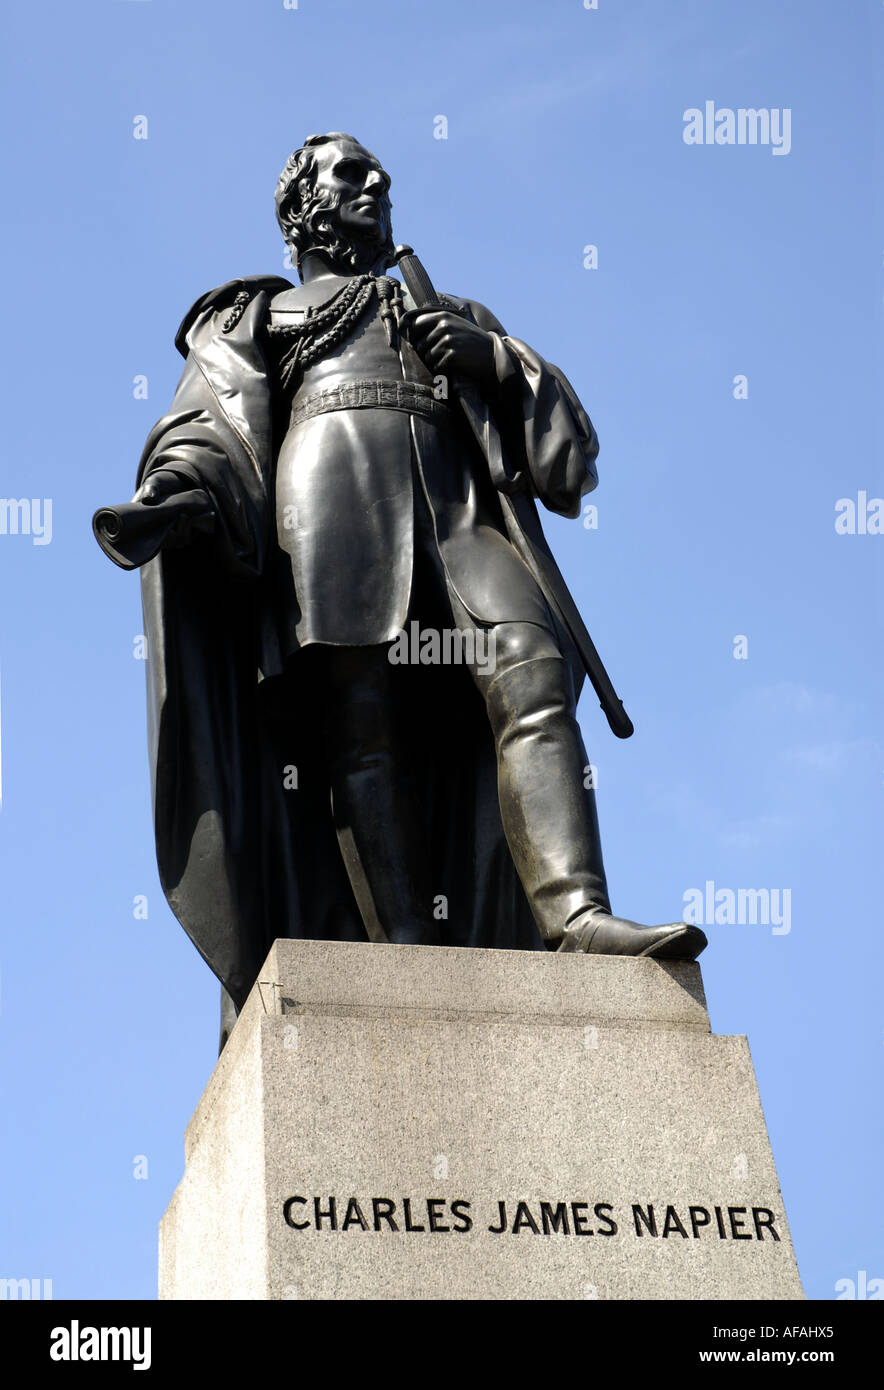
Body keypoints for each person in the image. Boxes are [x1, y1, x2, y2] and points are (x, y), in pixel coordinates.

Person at [102, 132, 705, 1034]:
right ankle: (405, 955)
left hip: (461, 514)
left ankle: (576, 915)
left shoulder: (446, 307)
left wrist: (495, 360)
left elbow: (568, 460)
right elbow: (211, 422)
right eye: (351, 172)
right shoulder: (258, 313)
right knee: (362, 723)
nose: (378, 182)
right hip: (331, 496)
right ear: (302, 204)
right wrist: (171, 495)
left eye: (378, 171)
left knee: (532, 669)